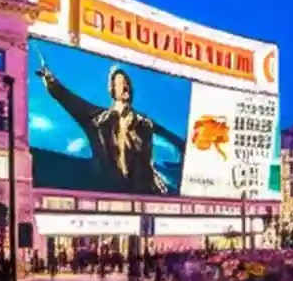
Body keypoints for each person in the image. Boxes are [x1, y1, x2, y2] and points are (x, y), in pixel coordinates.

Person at [36, 63, 185, 195]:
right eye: (121, 83)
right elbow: (69, 100)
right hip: (107, 192)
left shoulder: (144, 123)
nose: (125, 86)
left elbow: (167, 140)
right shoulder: (98, 120)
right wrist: (51, 82)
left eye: (127, 83)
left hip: (140, 194)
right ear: (112, 89)